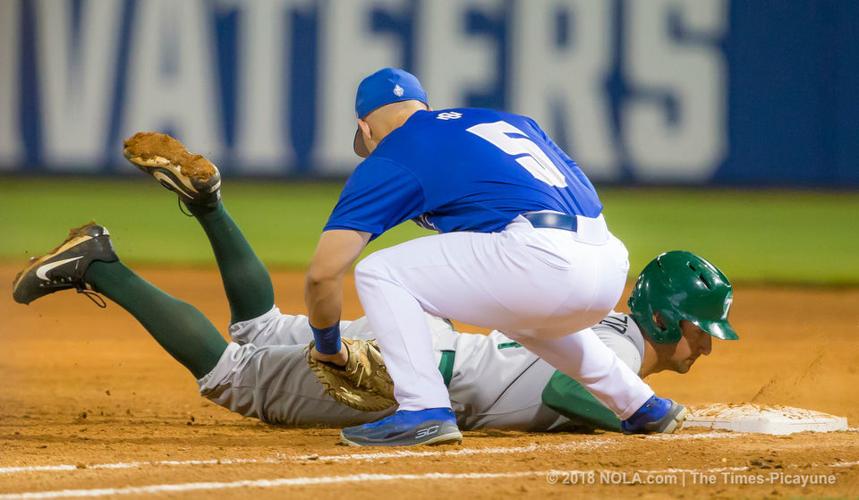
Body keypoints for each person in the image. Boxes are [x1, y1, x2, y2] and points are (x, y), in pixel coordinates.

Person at [11, 134, 739, 435]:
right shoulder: (618, 346)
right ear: (671, 319)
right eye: (702, 330)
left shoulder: (601, 324)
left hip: (420, 345)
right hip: (414, 371)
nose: (705, 346)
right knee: (232, 376)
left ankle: (208, 205)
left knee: (261, 332)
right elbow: (571, 389)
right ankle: (101, 263)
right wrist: (648, 415)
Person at [304, 67, 684, 446]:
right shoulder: (506, 121)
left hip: (543, 257)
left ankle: (423, 409)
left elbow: (323, 272)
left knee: (379, 271)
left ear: (365, 128)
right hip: (607, 260)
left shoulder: (395, 152)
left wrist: (328, 349)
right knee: (521, 314)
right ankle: (640, 405)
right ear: (423, 106)